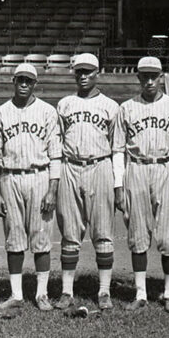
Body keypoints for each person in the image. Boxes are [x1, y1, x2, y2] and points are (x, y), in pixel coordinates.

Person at [0, 63, 61, 315]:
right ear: (13, 81)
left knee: (41, 238)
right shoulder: (0, 114)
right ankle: (16, 294)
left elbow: (56, 155)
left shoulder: (47, 112)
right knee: (14, 237)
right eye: (20, 79)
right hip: (10, 178)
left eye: (28, 80)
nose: (24, 84)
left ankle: (42, 294)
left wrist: (52, 190)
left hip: (39, 176)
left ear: (35, 84)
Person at [118, 56, 169, 312]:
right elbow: (118, 149)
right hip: (136, 167)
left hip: (165, 168)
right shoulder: (126, 107)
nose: (149, 81)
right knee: (137, 233)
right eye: (144, 76)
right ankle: (140, 293)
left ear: (161, 77)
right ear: (138, 78)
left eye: (154, 76)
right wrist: (118, 186)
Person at [55, 53, 122, 310]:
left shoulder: (110, 106)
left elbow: (117, 149)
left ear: (98, 73)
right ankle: (66, 291)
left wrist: (117, 185)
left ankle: (104, 291)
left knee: (103, 231)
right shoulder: (65, 104)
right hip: (70, 166)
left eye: (88, 72)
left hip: (100, 165)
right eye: (79, 72)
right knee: (70, 232)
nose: (83, 76)